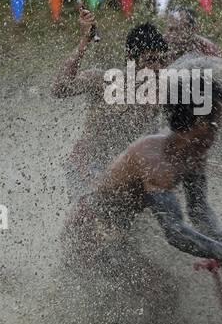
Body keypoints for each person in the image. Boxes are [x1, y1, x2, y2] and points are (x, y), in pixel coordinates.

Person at [63, 80, 222, 294]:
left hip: (119, 233)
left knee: (165, 288)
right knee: (165, 291)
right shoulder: (155, 162)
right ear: (200, 122)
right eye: (217, 121)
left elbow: (198, 210)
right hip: (89, 235)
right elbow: (175, 232)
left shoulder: (193, 153)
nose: (219, 129)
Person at [53, 11, 176, 191]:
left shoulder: (163, 94)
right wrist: (84, 42)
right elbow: (60, 89)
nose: (158, 67)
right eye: (150, 60)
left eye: (162, 61)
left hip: (127, 170)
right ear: (131, 59)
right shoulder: (104, 81)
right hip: (87, 165)